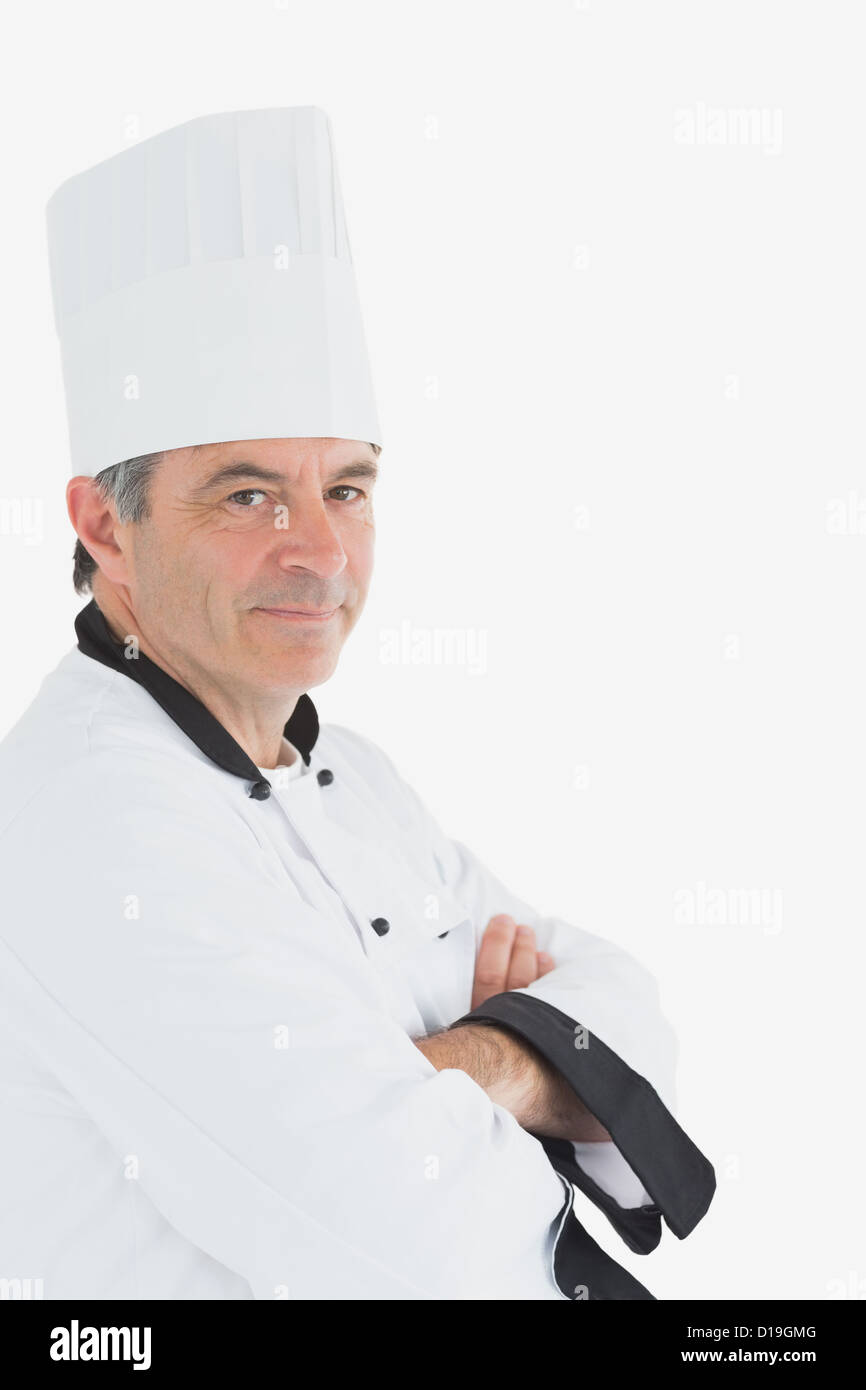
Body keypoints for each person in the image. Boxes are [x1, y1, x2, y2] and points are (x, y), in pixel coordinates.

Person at [0, 107, 714, 1301]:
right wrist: (525, 1064)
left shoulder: (359, 781)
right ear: (102, 527)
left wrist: (446, 1069)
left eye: (346, 485)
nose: (320, 552)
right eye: (247, 496)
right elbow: (403, 1237)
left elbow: (630, 1005)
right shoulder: (86, 822)